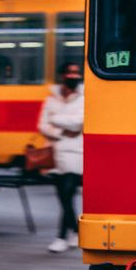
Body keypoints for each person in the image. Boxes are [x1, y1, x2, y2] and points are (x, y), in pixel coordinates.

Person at [37, 62, 84, 254]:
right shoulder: (52, 98)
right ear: (63, 75)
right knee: (63, 196)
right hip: (56, 152)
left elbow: (79, 122)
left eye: (76, 73)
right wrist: (61, 131)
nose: (74, 76)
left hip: (75, 153)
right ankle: (75, 231)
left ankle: (61, 236)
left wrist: (54, 119)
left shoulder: (85, 97)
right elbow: (42, 125)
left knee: (66, 194)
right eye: (70, 73)